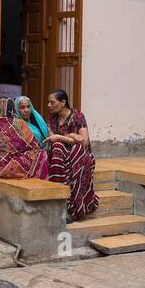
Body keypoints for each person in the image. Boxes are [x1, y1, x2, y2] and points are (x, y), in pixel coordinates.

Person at [44, 89, 99, 220]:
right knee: (57, 147)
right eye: (48, 103)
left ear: (63, 102)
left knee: (76, 151)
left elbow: (84, 141)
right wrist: (71, 136)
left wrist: (63, 137)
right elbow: (52, 139)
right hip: (60, 154)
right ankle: (62, 204)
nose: (48, 105)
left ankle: (72, 207)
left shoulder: (77, 116)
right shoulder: (52, 119)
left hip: (79, 153)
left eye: (52, 102)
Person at [0, 96, 49, 179]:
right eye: (22, 107)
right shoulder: (16, 123)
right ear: (13, 109)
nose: (26, 110)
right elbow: (34, 146)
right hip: (4, 168)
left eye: (28, 106)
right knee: (41, 154)